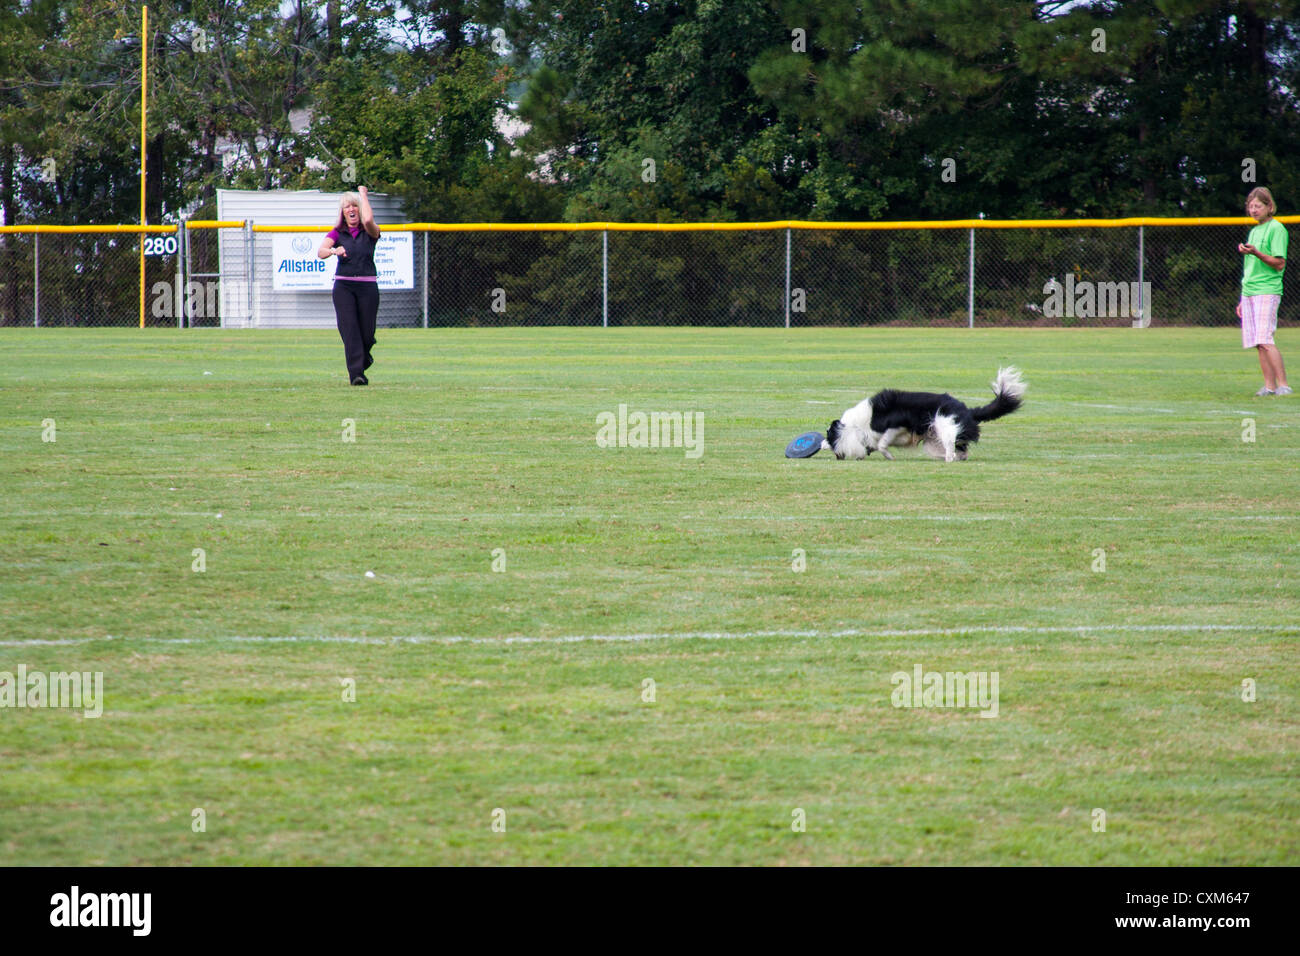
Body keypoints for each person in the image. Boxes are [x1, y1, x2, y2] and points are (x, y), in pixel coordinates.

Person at [318, 187, 381, 385]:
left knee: (367, 333)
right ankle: (356, 374)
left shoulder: (370, 232)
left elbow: (369, 221)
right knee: (350, 329)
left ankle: (363, 357)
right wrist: (334, 250)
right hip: (344, 287)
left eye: (355, 206)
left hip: (367, 287)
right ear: (343, 212)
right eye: (347, 207)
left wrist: (363, 196)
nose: (351, 209)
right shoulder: (337, 232)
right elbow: (321, 251)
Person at [1236, 187, 1290, 396]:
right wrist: (1243, 297)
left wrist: (1256, 253)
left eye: (1258, 206)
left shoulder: (1277, 229)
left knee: (1266, 339)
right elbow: (1250, 269)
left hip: (1267, 290)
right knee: (1258, 343)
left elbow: (1279, 263)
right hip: (1250, 291)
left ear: (1269, 207)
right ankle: (1269, 386)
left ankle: (1283, 384)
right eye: (1251, 207)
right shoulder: (1254, 231)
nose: (1254, 210)